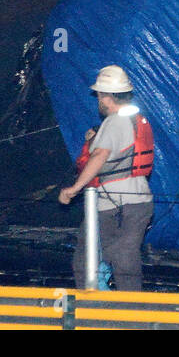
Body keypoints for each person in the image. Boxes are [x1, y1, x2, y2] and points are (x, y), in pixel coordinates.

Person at [58, 65, 154, 291]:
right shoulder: (135, 119)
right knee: (123, 254)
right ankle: (131, 307)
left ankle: (90, 309)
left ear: (106, 97)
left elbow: (101, 155)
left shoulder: (114, 122)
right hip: (140, 203)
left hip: (110, 205)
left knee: (85, 258)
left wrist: (74, 189)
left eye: (99, 95)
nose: (98, 100)